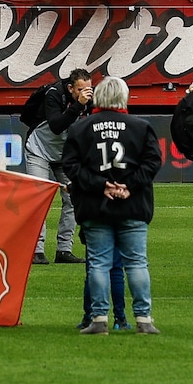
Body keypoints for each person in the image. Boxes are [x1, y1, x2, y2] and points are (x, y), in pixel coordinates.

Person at [62, 76, 162, 335]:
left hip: (96, 205)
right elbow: (152, 163)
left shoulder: (81, 128)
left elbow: (71, 167)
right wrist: (128, 186)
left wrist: (101, 185)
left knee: (98, 264)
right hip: (134, 205)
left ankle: (98, 319)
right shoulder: (140, 126)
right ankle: (144, 319)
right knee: (137, 263)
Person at [24, 69, 93, 264]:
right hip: (39, 149)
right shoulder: (54, 94)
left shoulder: (89, 98)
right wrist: (78, 106)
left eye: (88, 89)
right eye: (81, 89)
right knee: (39, 199)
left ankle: (64, 250)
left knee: (73, 198)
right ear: (71, 87)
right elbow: (56, 125)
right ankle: (36, 250)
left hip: (66, 154)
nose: (86, 93)